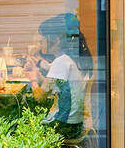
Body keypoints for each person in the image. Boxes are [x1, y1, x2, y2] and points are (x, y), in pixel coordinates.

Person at [37, 12, 88, 141]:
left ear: (57, 40)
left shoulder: (62, 62)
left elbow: (39, 97)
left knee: (17, 122)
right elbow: (60, 86)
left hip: (63, 126)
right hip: (74, 124)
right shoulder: (72, 59)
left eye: (43, 38)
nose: (40, 42)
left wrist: (32, 79)